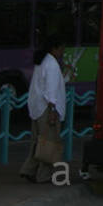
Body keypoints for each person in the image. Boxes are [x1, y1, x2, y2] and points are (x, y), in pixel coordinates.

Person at [20, 36, 67, 183]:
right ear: (54, 48)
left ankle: (29, 169)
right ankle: (43, 175)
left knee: (37, 141)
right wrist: (52, 111)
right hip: (47, 109)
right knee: (49, 143)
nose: (63, 51)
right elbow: (51, 90)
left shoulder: (42, 61)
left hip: (36, 107)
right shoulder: (52, 64)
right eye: (61, 48)